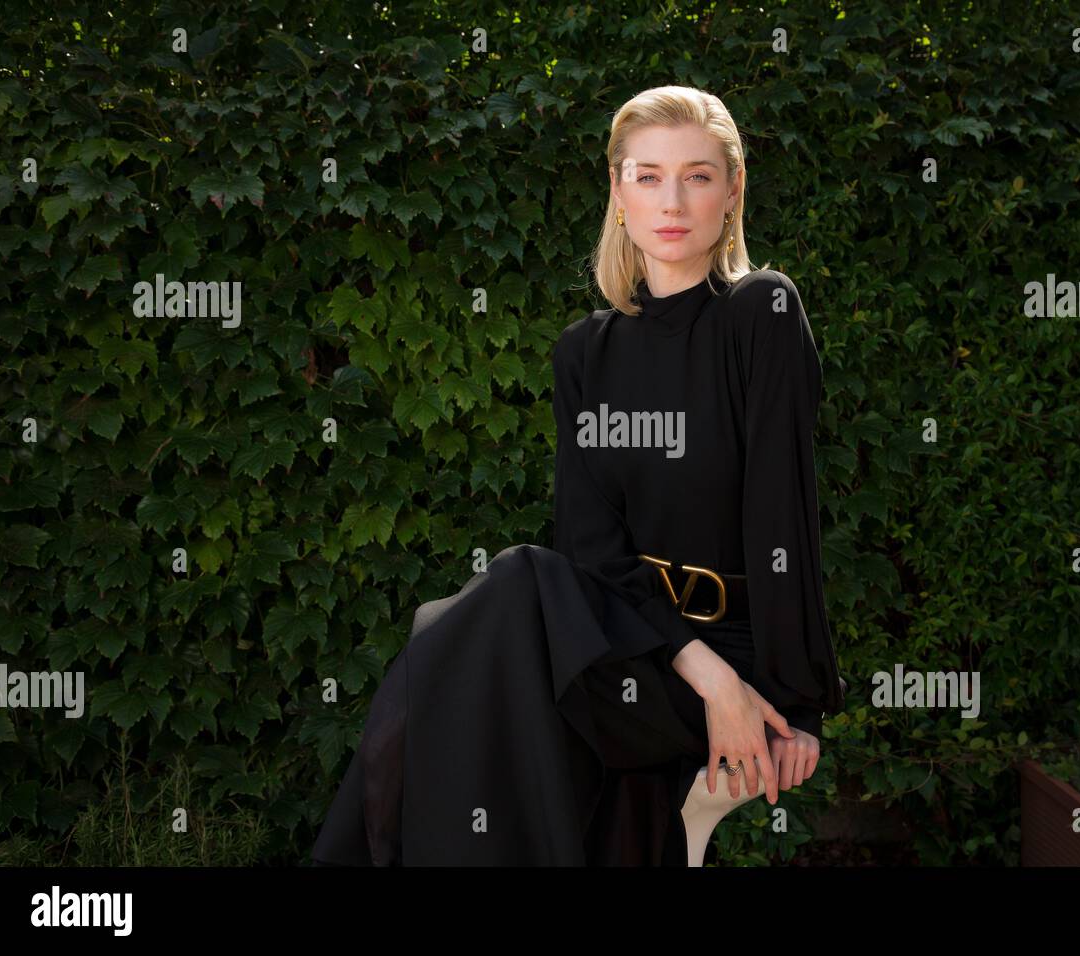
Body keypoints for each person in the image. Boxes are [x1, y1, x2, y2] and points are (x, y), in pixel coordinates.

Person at [311, 85, 844, 867]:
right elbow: (592, 550)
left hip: (736, 649)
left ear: (732, 192)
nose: (672, 200)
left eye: (697, 176)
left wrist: (789, 707)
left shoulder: (759, 313)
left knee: (505, 601)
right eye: (648, 175)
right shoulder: (585, 354)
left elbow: (782, 521)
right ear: (618, 194)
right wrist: (707, 683)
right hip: (642, 649)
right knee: (496, 644)